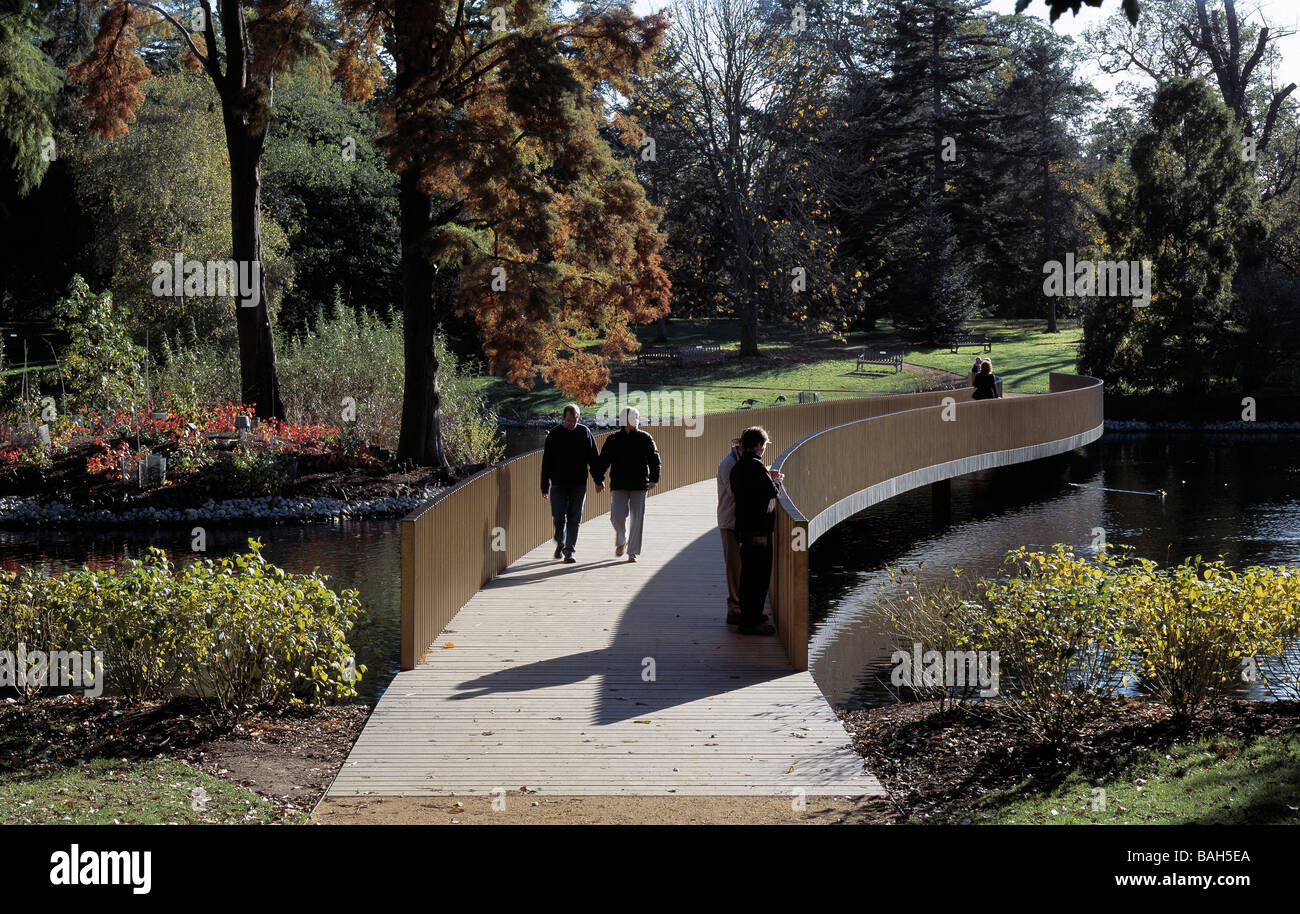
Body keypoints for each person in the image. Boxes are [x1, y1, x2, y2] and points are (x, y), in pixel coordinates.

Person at [728, 426, 784, 636]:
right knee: (758, 579)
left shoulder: (737, 467)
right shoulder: (756, 466)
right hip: (759, 531)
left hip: (743, 529)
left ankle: (749, 617)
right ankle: (752, 622)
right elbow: (771, 492)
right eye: (765, 446)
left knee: (747, 577)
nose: (764, 449)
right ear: (759, 445)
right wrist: (777, 480)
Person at [594, 406, 661, 563]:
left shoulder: (645, 438)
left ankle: (632, 552)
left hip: (639, 484)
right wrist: (599, 479)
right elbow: (603, 461)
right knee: (616, 516)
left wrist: (654, 479)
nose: (636, 421)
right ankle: (622, 539)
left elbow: (654, 459)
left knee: (637, 518)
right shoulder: (613, 439)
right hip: (619, 483)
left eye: (637, 418)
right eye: (633, 418)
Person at [540, 404, 603, 563]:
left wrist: (598, 480)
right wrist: (544, 485)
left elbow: (593, 459)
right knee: (559, 515)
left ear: (578, 418)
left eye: (574, 421)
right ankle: (560, 540)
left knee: (574, 517)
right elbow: (546, 462)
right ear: (563, 418)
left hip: (578, 483)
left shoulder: (584, 432)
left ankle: (569, 552)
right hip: (558, 483)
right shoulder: (554, 435)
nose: (571, 424)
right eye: (568, 421)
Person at [716, 437, 744, 625]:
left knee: (740, 565)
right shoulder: (729, 463)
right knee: (734, 566)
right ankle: (734, 608)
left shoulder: (742, 460)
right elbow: (735, 491)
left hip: (739, 520)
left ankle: (740, 605)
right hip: (730, 520)